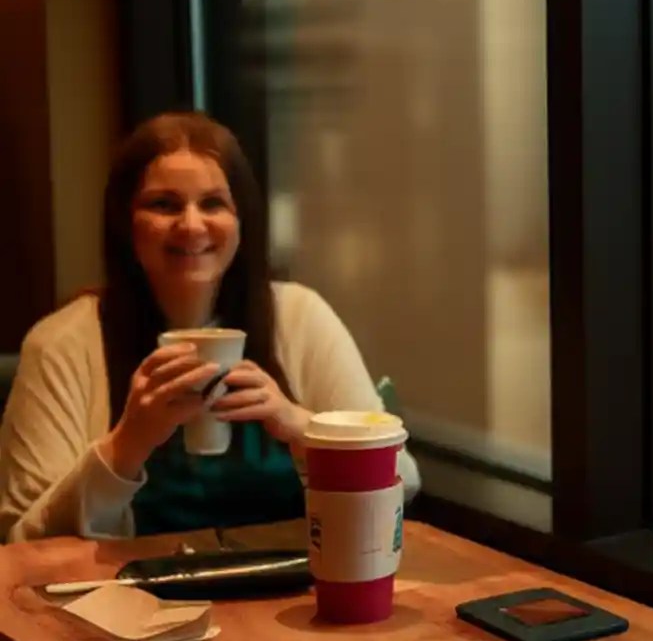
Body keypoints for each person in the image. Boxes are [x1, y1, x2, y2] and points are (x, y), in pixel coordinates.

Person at [0, 112, 421, 542]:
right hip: (131, 602)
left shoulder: (301, 316)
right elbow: (22, 540)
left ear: (242, 221)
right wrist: (126, 444)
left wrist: (298, 425)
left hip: (292, 595)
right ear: (125, 223)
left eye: (213, 203)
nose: (191, 225)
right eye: (163, 204)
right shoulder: (62, 344)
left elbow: (401, 481)